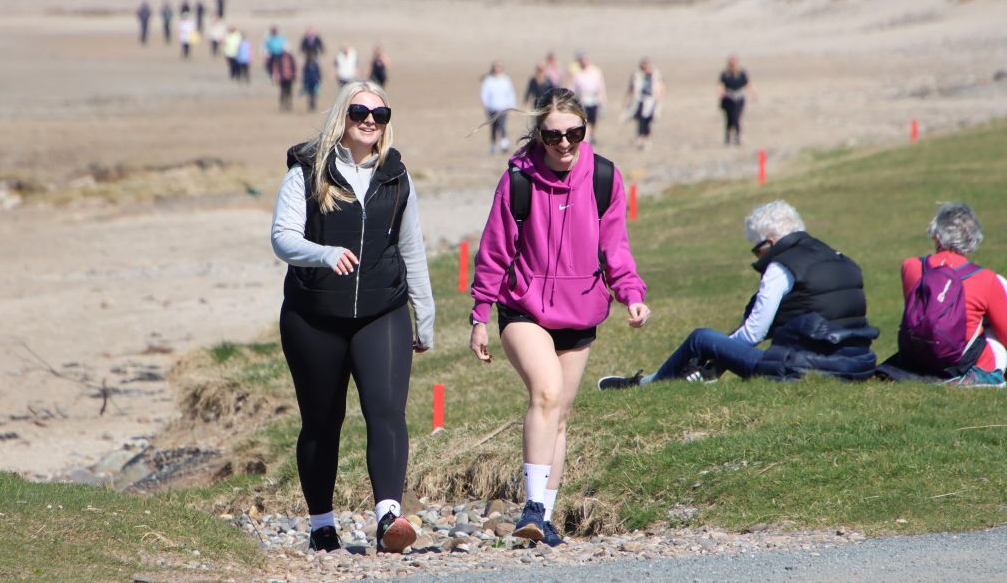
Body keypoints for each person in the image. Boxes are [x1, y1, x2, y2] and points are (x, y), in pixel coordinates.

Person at [469, 87, 650, 547]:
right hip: (524, 307)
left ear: (585, 129)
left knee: (561, 415)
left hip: (580, 310)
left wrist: (630, 293)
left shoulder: (604, 177)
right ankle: (531, 504)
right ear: (539, 135)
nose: (565, 143)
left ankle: (542, 519)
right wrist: (480, 315)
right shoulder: (518, 180)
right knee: (546, 394)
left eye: (574, 133)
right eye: (553, 136)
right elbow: (494, 251)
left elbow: (616, 246)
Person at [272, 81, 435, 554]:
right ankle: (322, 523)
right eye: (360, 111)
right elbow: (282, 237)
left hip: (381, 312)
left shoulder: (396, 177)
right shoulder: (305, 172)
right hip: (313, 316)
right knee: (323, 422)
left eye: (380, 115)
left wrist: (423, 316)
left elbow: (412, 250)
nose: (369, 120)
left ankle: (388, 517)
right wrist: (322, 254)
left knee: (386, 411)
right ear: (341, 116)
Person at [598, 200, 877, 390]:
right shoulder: (842, 258)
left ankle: (647, 384)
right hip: (859, 363)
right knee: (717, 344)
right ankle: (697, 375)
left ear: (769, 242)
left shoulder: (781, 267)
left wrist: (717, 353)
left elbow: (753, 333)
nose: (758, 257)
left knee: (702, 338)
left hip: (803, 369)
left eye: (756, 250)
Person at [877, 202, 1007, 386]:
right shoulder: (987, 279)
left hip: (916, 357)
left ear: (937, 235)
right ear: (972, 239)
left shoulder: (911, 266)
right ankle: (981, 376)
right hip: (959, 363)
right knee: (993, 328)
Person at [564, 51, 607, 145]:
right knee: (584, 120)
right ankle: (586, 136)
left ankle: (592, 134)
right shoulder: (577, 74)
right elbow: (572, 87)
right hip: (583, 100)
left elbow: (601, 86)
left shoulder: (595, 71)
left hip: (594, 100)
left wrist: (603, 101)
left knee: (594, 120)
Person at [622, 57, 664, 150]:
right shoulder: (637, 75)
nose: (645, 66)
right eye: (643, 64)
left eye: (646, 64)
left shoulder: (655, 75)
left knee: (648, 120)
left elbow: (660, 86)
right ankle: (640, 138)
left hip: (651, 100)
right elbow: (631, 87)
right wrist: (626, 99)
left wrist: (659, 98)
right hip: (640, 100)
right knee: (641, 120)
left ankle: (647, 139)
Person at [479, 61, 517, 154]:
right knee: (493, 127)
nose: (497, 69)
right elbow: (484, 94)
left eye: (499, 67)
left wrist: (512, 106)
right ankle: (493, 146)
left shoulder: (505, 79)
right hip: (492, 108)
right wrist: (485, 105)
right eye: (495, 67)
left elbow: (510, 93)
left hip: (503, 108)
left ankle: (504, 145)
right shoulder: (488, 80)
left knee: (502, 126)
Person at [719, 55, 754, 146]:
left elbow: (748, 84)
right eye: (731, 63)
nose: (732, 65)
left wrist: (753, 94)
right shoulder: (725, 74)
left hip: (739, 98)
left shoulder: (742, 73)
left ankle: (737, 138)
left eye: (734, 63)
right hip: (728, 98)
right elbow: (721, 85)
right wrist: (721, 93)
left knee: (737, 118)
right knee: (729, 119)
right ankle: (727, 139)